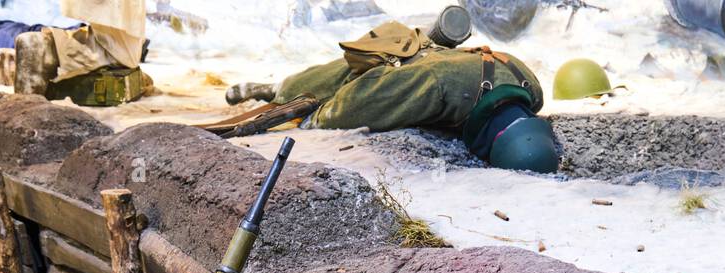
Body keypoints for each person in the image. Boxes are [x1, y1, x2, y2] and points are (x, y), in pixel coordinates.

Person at [226, 20, 560, 174]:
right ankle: (272, 89)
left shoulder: (528, 84)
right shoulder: (435, 87)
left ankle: (272, 87)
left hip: (436, 60)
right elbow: (364, 101)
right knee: (324, 81)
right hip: (407, 61)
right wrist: (319, 117)